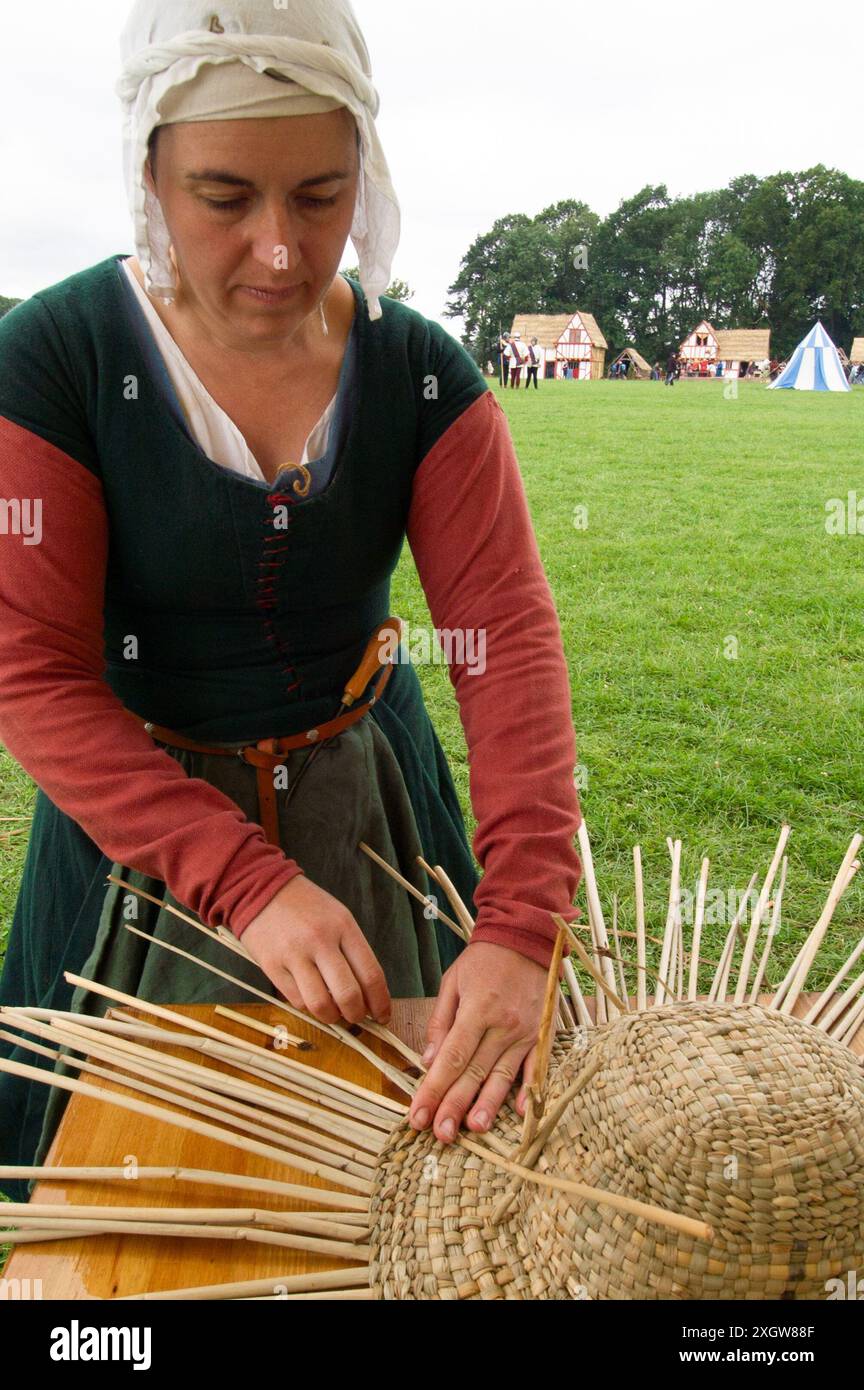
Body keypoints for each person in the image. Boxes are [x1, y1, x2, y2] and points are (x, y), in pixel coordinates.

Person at [0, 0, 582, 1200]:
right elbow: (36, 671)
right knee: (135, 1216)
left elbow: (508, 637)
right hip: (144, 852)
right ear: (149, 170)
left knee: (419, 1192)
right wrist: (244, 879)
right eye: (225, 197)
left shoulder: (418, 371)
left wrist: (522, 923)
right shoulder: (55, 359)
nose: (278, 249)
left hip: (371, 815)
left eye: (319, 197)